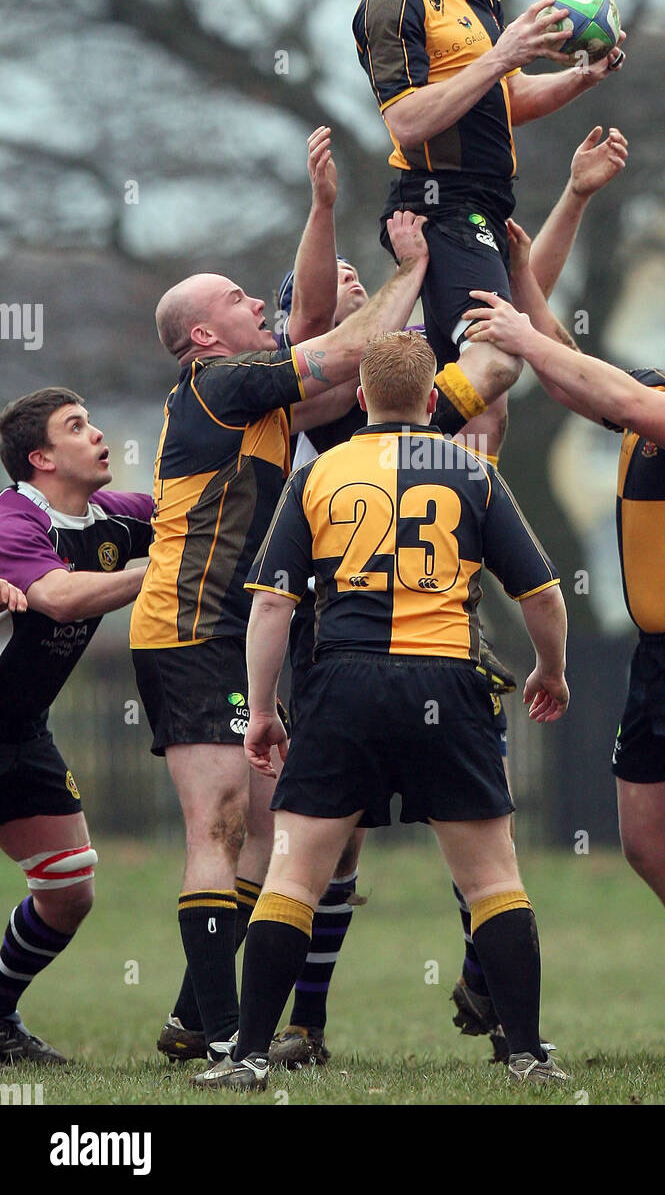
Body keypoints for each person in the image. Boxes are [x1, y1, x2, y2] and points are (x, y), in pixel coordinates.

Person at [266, 124, 628, 1068]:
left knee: (327, 854)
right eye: (350, 289)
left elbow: (493, 316)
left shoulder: (385, 404)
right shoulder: (313, 404)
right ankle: (311, 1020)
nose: (362, 288)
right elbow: (495, 347)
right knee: (350, 852)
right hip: (388, 641)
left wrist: (563, 205)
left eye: (366, 281)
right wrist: (376, 240)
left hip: (375, 652)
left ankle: (296, 1026)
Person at [192, 330, 570, 1092]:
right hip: (448, 683)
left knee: (294, 877)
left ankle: (250, 1058)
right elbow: (543, 595)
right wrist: (550, 671)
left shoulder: (322, 471)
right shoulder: (471, 471)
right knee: (494, 878)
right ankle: (526, 1053)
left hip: (344, 685)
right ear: (433, 401)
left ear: (360, 398)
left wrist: (262, 710)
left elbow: (271, 606)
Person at [465, 272, 665, 1072]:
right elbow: (573, 373)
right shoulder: (656, 396)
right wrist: (556, 225)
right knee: (648, 845)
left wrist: (521, 334)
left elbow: (623, 399)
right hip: (660, 659)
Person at [132, 211, 431, 1067]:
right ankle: (229, 1035)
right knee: (220, 824)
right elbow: (340, 356)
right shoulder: (218, 384)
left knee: (273, 831)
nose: (253, 301)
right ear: (203, 333)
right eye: (235, 296)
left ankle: (196, 1016)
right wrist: (408, 273)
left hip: (228, 634)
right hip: (188, 627)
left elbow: (349, 387)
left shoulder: (252, 403)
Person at [353, 0, 626, 462]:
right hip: (441, 204)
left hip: (483, 201)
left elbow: (507, 100)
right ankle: (376, 455)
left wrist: (584, 77)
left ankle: (457, 526)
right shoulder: (390, 0)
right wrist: (502, 54)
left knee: (488, 415)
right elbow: (406, 122)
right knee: (501, 357)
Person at [0, 388, 152, 1063]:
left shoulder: (110, 518)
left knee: (68, 887)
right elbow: (57, 599)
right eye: (77, 426)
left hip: (19, 730)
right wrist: (164, 569)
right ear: (41, 458)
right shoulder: (11, 521)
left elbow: (201, 513)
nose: (98, 435)